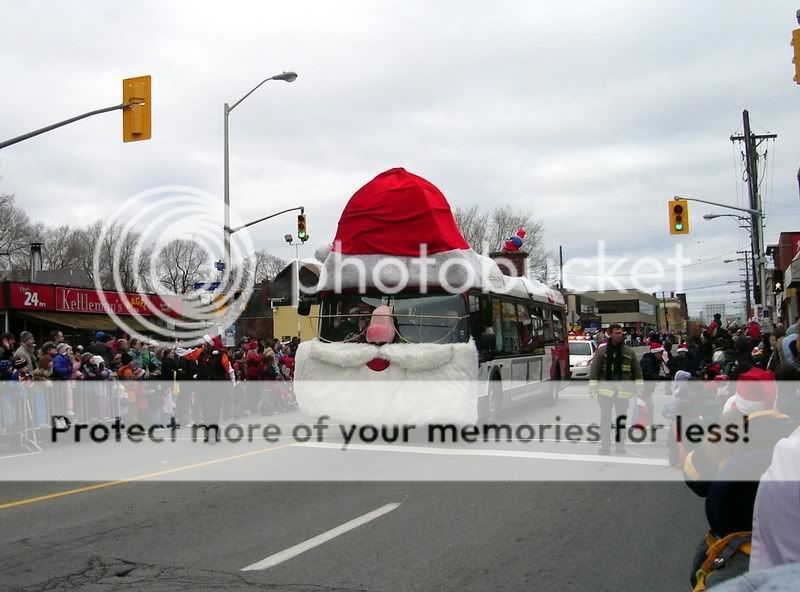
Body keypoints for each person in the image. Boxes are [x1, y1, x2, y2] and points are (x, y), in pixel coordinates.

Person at [588, 323, 644, 455]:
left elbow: (637, 372)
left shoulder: (629, 352)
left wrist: (639, 389)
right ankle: (605, 446)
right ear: (610, 334)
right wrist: (592, 389)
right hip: (605, 392)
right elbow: (594, 371)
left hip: (623, 392)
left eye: (621, 333)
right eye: (616, 333)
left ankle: (620, 446)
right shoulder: (602, 351)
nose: (619, 335)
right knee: (606, 419)